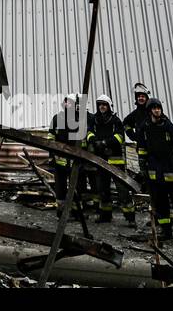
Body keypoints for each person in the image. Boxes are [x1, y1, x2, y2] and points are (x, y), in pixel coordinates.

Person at [142, 97, 173, 242]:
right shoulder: (146, 129)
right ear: (150, 111)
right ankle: (166, 232)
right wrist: (143, 165)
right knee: (161, 205)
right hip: (155, 175)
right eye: (154, 108)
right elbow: (142, 149)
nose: (157, 110)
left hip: (172, 174)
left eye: (159, 108)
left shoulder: (170, 128)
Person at [48, 93, 93, 222]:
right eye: (66, 102)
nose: (68, 104)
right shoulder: (57, 118)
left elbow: (83, 140)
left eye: (70, 102)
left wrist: (84, 156)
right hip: (60, 160)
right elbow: (50, 138)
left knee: (78, 187)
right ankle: (61, 212)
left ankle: (76, 212)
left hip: (76, 161)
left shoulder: (79, 120)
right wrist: (51, 156)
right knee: (60, 187)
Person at [91, 94, 135, 225]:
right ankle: (105, 215)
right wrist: (94, 141)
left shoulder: (115, 121)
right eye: (100, 105)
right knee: (102, 189)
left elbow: (120, 137)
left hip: (116, 162)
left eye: (104, 105)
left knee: (122, 191)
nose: (102, 107)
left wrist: (104, 142)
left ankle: (130, 218)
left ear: (109, 106)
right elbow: (89, 132)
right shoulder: (94, 120)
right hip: (101, 160)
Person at [123, 82, 153, 185]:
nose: (140, 98)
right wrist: (133, 136)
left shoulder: (152, 111)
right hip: (141, 148)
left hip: (155, 147)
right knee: (145, 171)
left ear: (146, 98)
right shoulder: (135, 115)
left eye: (142, 96)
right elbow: (126, 123)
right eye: (139, 96)